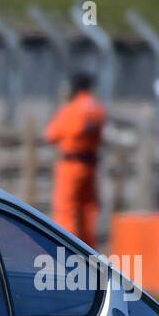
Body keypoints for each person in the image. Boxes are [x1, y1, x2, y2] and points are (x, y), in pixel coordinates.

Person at [45, 72, 106, 244]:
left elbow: (51, 134)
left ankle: (66, 247)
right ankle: (89, 249)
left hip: (71, 164)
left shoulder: (72, 109)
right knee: (88, 210)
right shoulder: (96, 108)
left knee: (66, 210)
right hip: (90, 164)